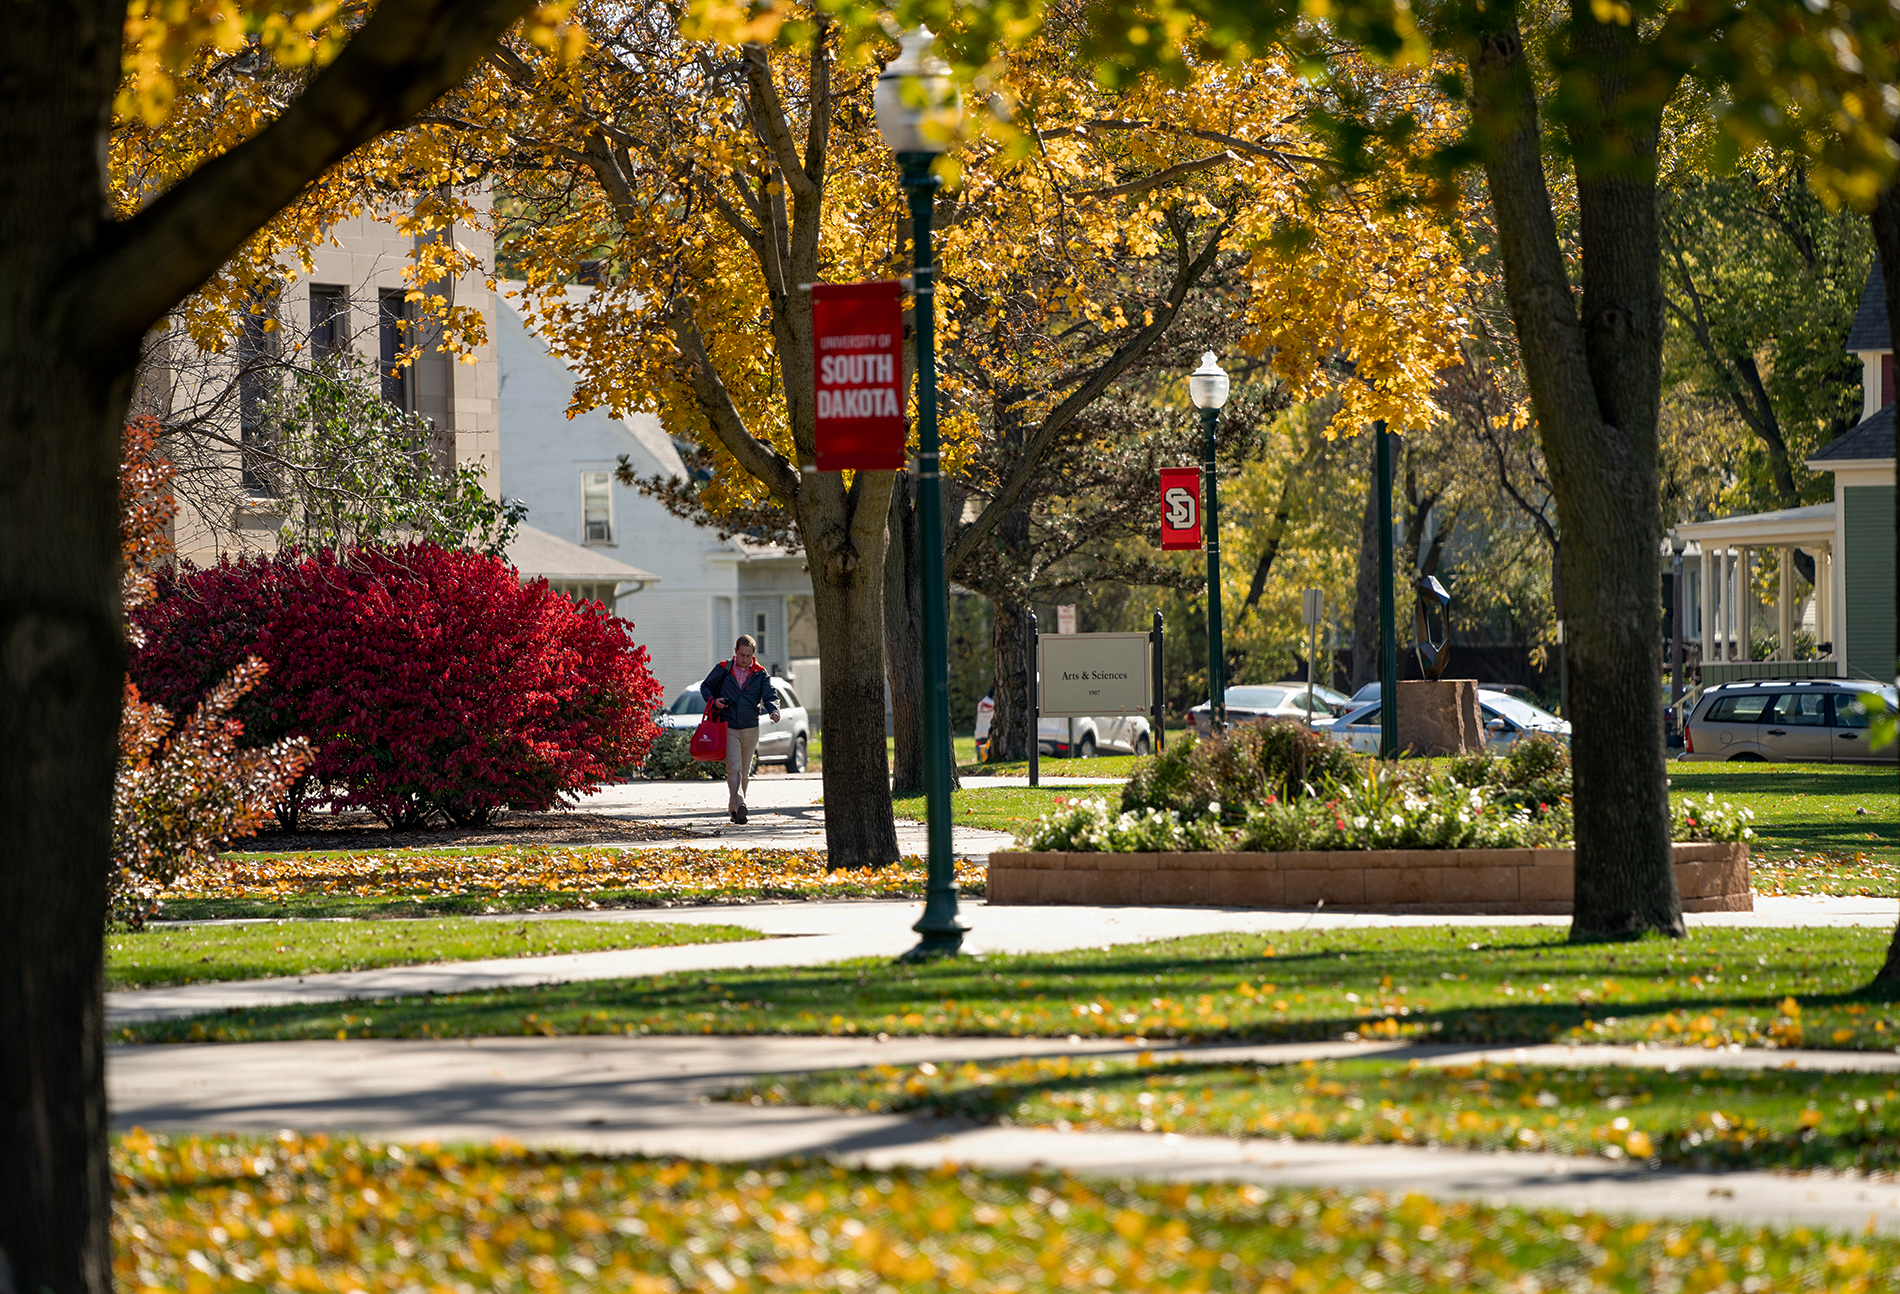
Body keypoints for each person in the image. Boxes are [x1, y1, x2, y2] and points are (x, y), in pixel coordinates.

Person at [700, 635, 780, 824]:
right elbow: (706, 687)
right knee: (734, 768)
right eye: (741, 655)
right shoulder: (724, 668)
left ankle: (734, 809)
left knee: (744, 772)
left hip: (751, 727)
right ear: (735, 652)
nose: (744, 659)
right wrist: (714, 701)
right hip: (728, 726)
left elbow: (770, 695)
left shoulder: (760, 673)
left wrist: (774, 710)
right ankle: (742, 803)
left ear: (753, 655)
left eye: (748, 656)